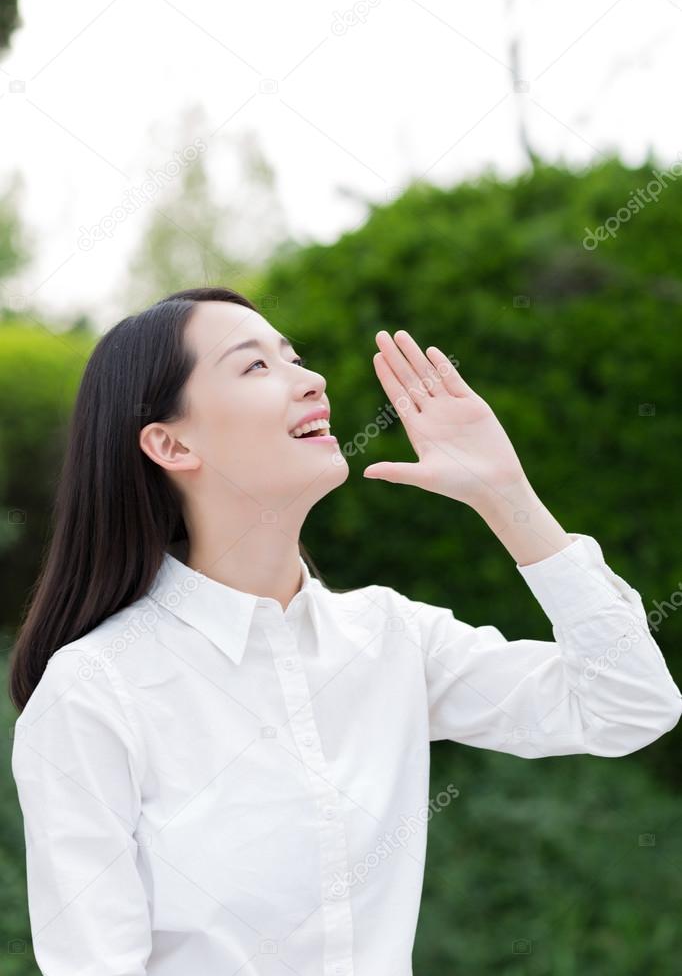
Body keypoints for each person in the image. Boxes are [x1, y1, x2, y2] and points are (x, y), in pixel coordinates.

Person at [9, 285, 682, 976]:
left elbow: (629, 705)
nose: (313, 380)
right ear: (170, 442)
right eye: (257, 366)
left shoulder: (390, 636)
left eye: (293, 356)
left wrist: (505, 494)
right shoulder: (96, 688)